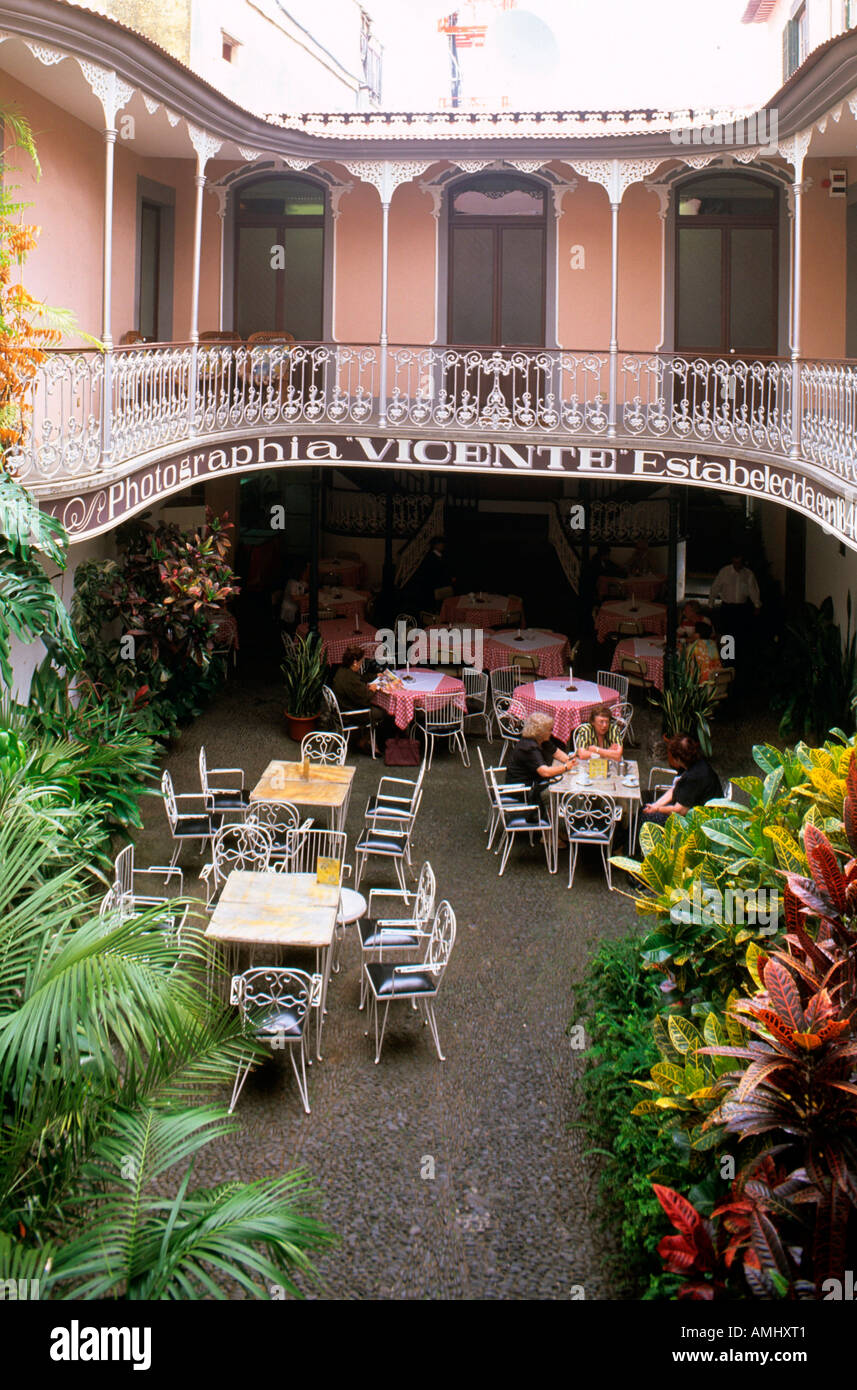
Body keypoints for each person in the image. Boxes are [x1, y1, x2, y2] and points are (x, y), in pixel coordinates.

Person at [641, 733, 722, 826]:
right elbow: (675, 788)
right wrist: (656, 805)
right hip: (692, 807)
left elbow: (680, 811)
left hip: (702, 822)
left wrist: (658, 809)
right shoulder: (692, 762)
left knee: (646, 818)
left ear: (678, 759)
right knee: (645, 808)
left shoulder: (693, 777)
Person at [509, 711, 574, 820]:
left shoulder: (542, 741)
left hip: (533, 784)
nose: (551, 732)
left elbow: (557, 753)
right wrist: (566, 767)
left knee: (559, 787)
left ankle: (553, 827)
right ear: (541, 731)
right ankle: (549, 832)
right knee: (557, 794)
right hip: (523, 791)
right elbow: (545, 772)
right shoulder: (529, 747)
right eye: (550, 730)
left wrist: (571, 759)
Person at [331, 645, 390, 754]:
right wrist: (372, 689)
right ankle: (368, 740)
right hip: (350, 713)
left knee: (378, 708)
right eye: (361, 662)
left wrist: (375, 676)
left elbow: (361, 678)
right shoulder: (350, 680)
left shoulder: (343, 671)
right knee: (382, 712)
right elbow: (365, 699)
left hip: (343, 707)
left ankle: (367, 738)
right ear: (355, 662)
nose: (361, 664)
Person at [415, 536, 456, 611]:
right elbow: (435, 573)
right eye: (440, 544)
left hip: (443, 585)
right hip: (436, 587)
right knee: (438, 607)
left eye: (442, 543)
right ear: (435, 545)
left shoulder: (442, 556)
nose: (442, 545)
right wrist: (448, 579)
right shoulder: (430, 557)